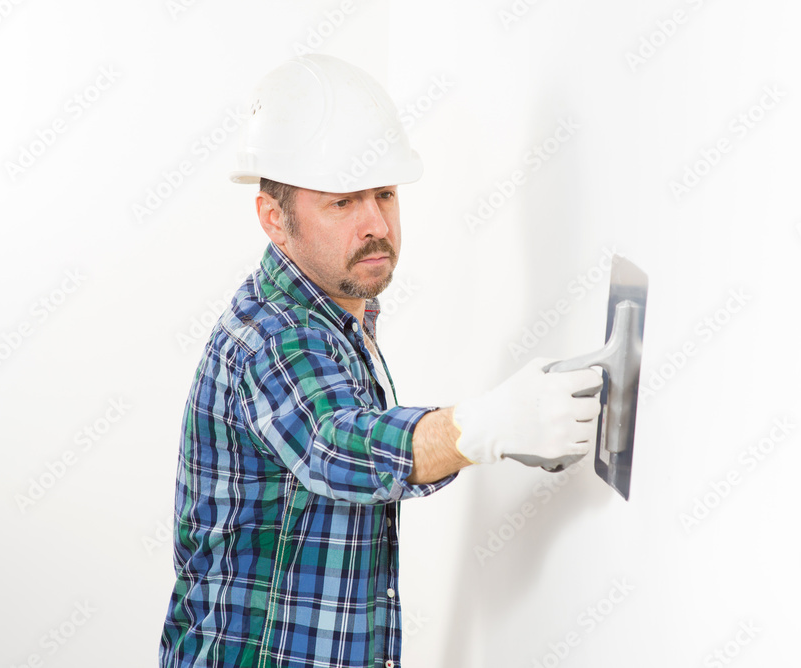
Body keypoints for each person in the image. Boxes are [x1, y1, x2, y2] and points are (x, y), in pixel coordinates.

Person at [158, 54, 602, 668]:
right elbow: (336, 445)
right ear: (273, 219)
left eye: (385, 194)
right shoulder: (273, 336)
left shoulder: (342, 315)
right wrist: (481, 426)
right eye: (342, 202)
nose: (376, 224)